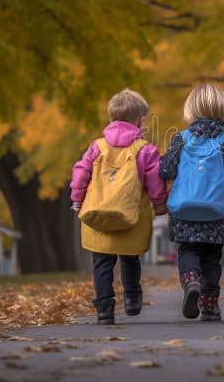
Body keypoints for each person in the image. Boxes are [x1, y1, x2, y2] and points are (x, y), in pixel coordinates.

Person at [70, 88, 168, 325]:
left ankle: (104, 308)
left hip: (98, 215)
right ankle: (133, 297)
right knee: (130, 258)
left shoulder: (97, 147)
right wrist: (160, 204)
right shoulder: (145, 149)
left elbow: (81, 172)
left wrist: (77, 198)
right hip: (131, 216)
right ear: (142, 120)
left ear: (111, 118)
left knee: (102, 262)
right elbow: (155, 181)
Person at [160, 83, 224, 321]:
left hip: (184, 210)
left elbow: (166, 169)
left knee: (188, 249)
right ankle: (209, 304)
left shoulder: (181, 139)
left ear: (191, 110)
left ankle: (190, 280)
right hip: (217, 212)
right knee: (212, 256)